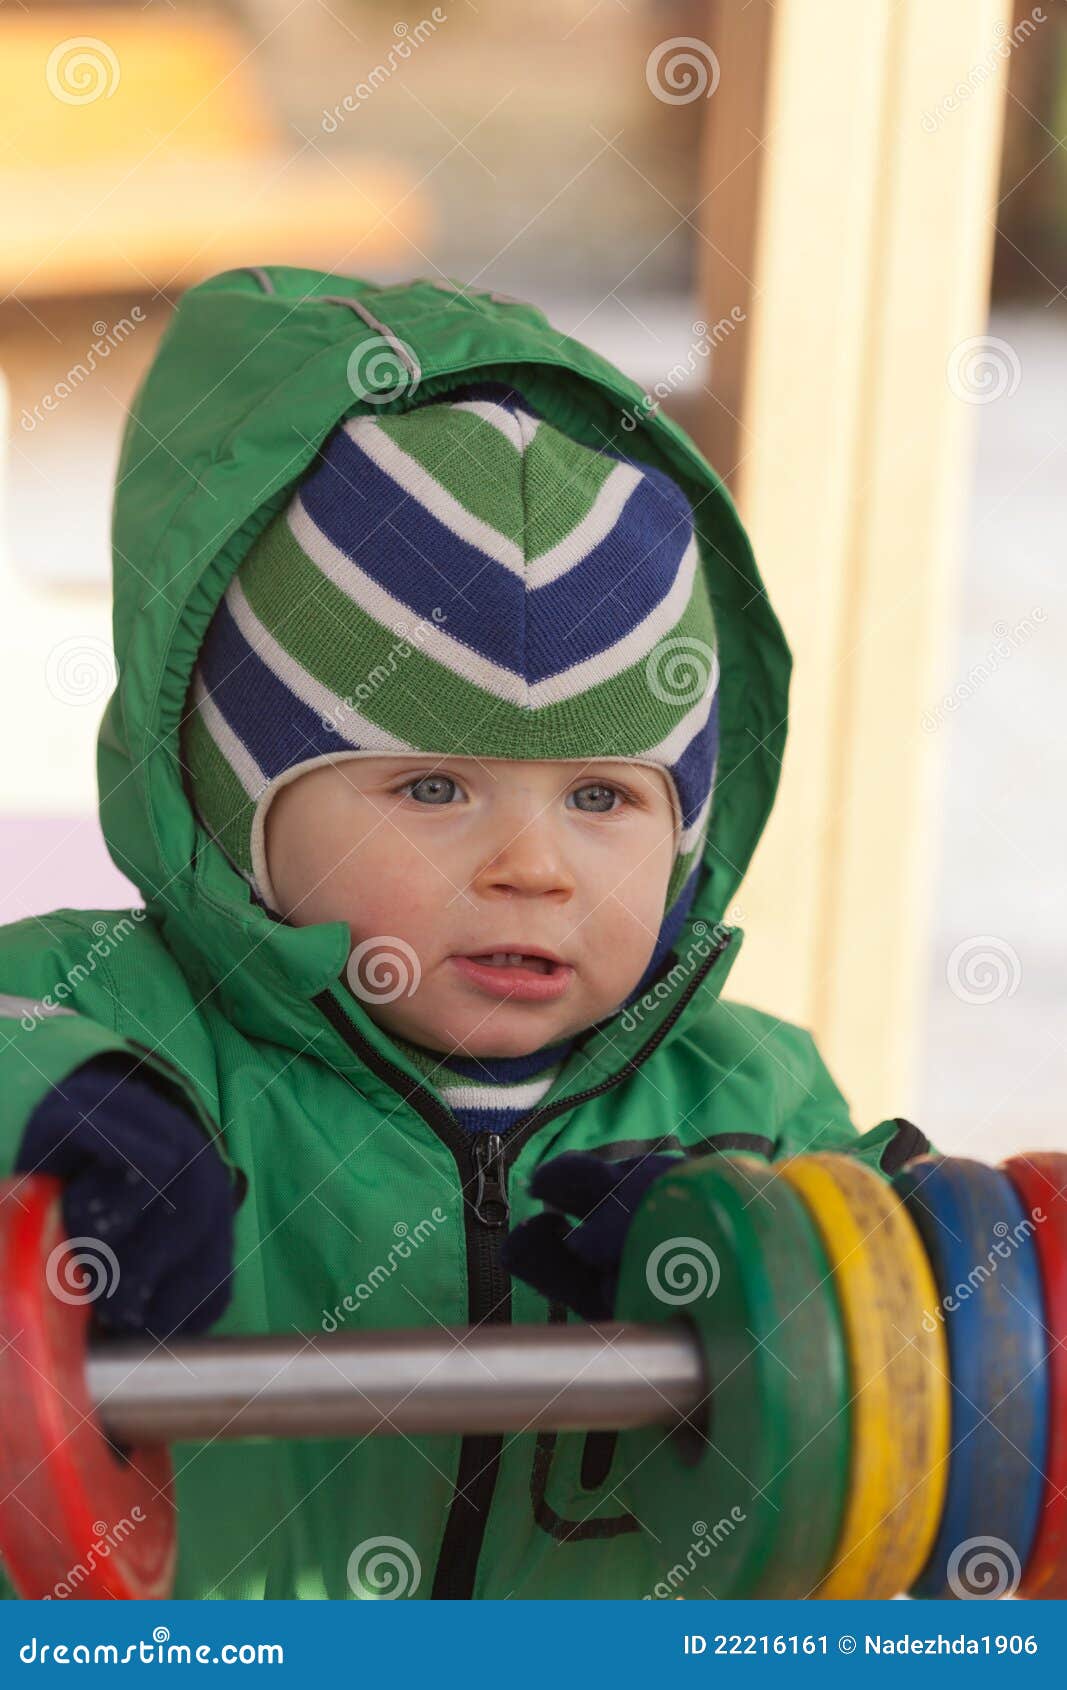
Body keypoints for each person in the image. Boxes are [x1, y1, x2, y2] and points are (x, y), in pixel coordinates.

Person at [0, 268, 929, 1600]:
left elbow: (959, 1336)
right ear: (239, 807)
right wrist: (69, 1115)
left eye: (605, 796)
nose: (533, 866)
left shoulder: (756, 1105)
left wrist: (793, 1262)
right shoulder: (108, 1013)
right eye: (433, 787)